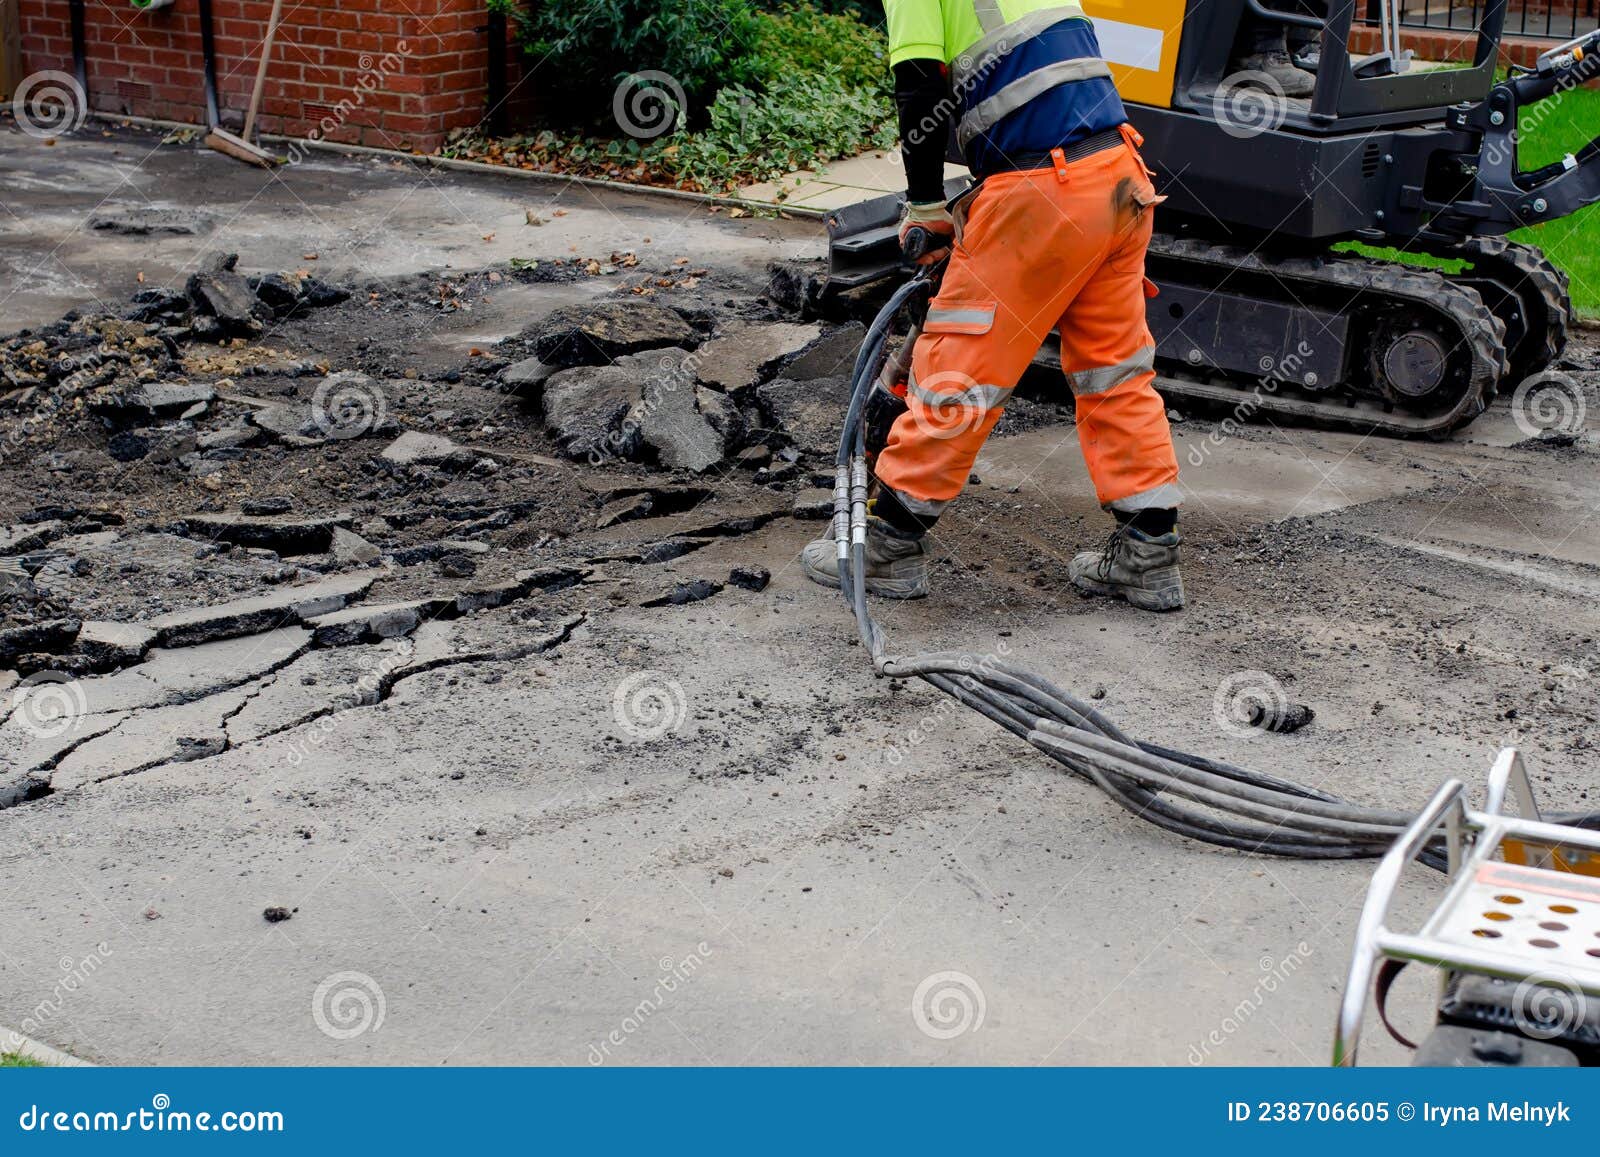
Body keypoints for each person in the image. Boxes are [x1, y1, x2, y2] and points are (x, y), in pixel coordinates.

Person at [800, 0, 1185, 612]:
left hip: (1043, 190)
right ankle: (1148, 551)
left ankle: (890, 546)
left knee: (962, 364)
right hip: (1119, 176)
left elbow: (920, 90)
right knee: (1115, 370)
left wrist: (925, 205)